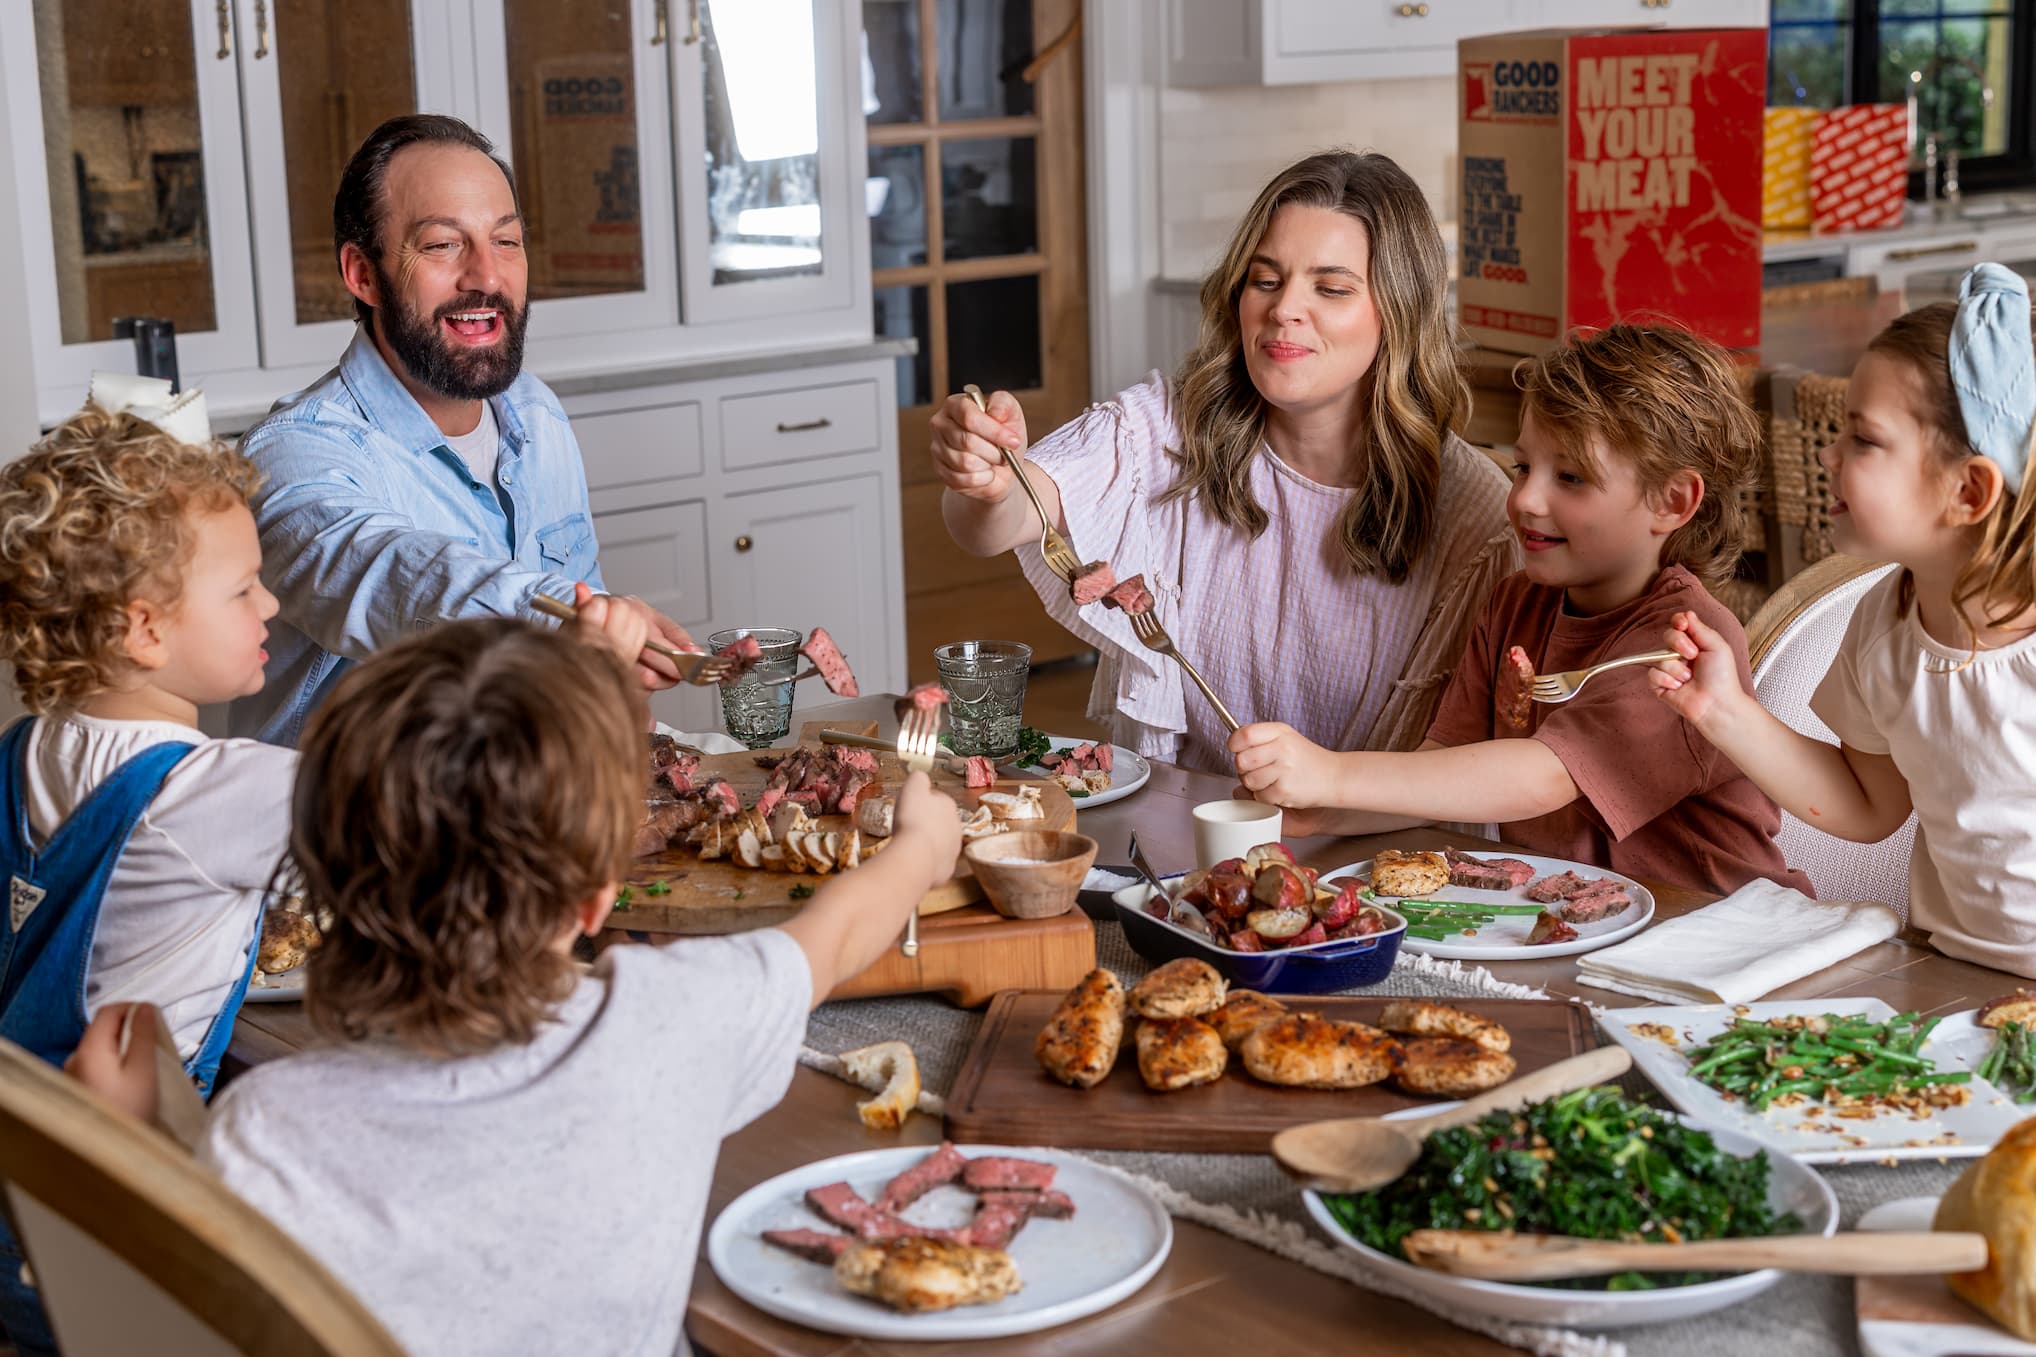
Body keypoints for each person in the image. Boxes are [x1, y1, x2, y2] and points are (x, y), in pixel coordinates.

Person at [69, 618, 962, 1355]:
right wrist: (921, 846)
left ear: (328, 871)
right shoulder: (676, 1019)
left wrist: (124, 1149)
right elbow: (838, 930)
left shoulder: (260, 1133)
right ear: (596, 896)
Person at [930, 151, 1515, 773]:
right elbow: (998, 525)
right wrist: (986, 483)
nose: (1284, 307)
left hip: (1383, 860)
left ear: (1400, 313)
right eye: (1265, 280)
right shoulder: (1168, 428)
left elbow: (1471, 765)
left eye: (1332, 288)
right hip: (1190, 836)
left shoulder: (1472, 512)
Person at [1231, 324, 1811, 898]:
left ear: (1672, 501)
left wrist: (1332, 772)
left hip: (1718, 936)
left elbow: (1543, 776)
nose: (1526, 500)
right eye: (1523, 468)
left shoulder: (1684, 642)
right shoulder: (1515, 602)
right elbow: (1442, 769)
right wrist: (1322, 810)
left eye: (1571, 477)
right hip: (1581, 929)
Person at [231, 114, 693, 747]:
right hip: (357, 837)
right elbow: (396, 573)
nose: (486, 276)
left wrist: (621, 672)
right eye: (444, 244)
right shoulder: (291, 454)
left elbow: (591, 670)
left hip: (529, 805)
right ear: (363, 274)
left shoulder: (536, 415)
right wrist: (565, 621)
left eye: (506, 241)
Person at [0, 405, 291, 1355]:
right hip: (125, 1234)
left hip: (22, 1216)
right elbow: (441, 793)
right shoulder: (209, 790)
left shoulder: (23, 753)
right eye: (245, 589)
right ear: (143, 630)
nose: (271, 609)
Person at [1653, 264, 2036, 975]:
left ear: (1969, 489)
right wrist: (1726, 710)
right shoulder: (1883, 623)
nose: (1828, 454)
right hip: (1952, 982)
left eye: (1863, 440)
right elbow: (1866, 806)